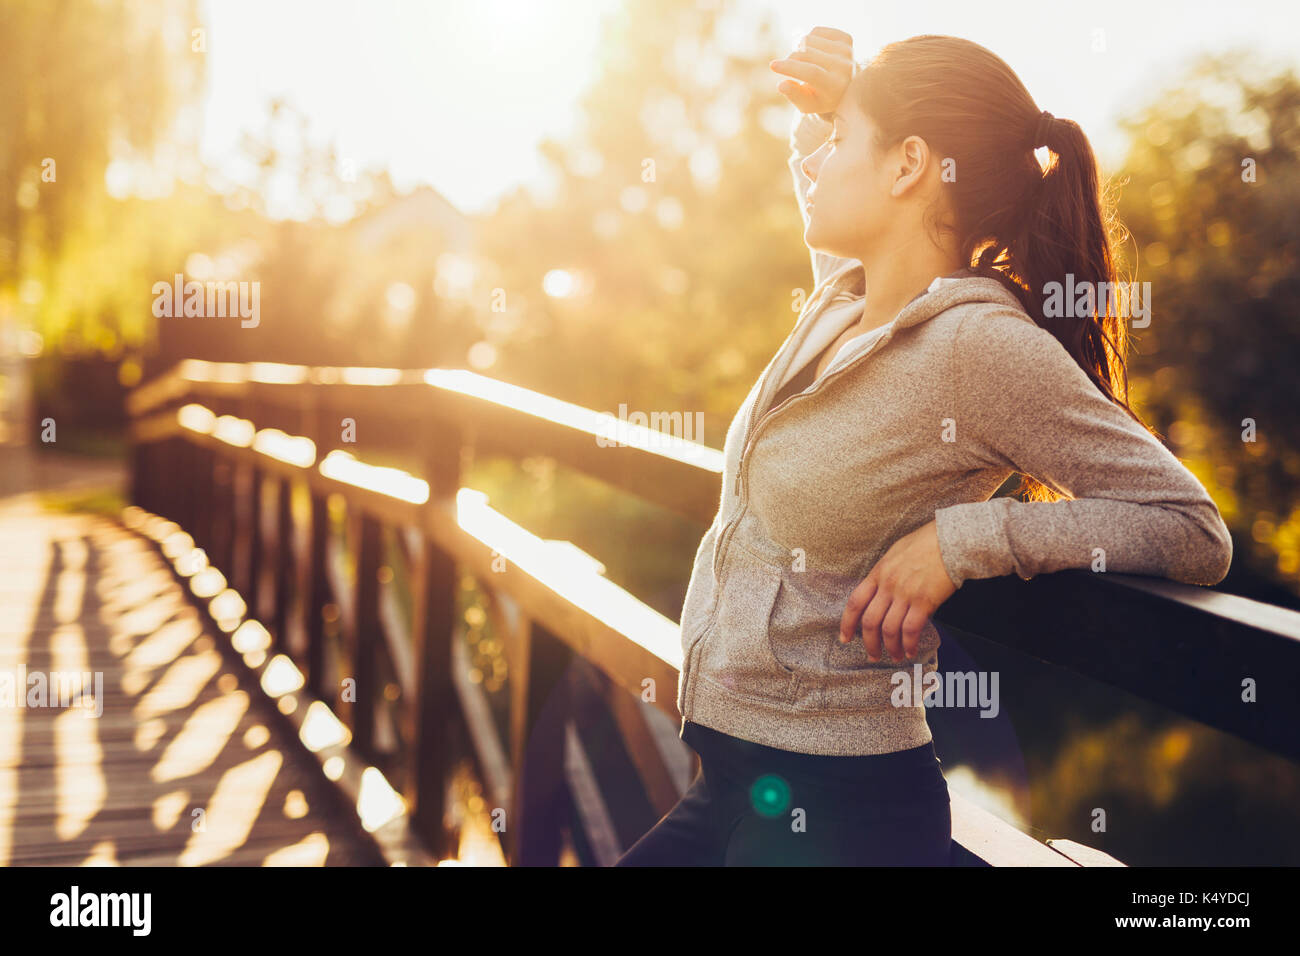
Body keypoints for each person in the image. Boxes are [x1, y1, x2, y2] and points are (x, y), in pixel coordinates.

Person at [615, 28, 1233, 866]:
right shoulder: (842, 306)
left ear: (908, 166)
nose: (818, 165)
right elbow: (838, 216)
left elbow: (1191, 528)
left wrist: (964, 541)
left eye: (840, 146)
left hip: (843, 814)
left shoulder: (979, 349)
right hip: (730, 779)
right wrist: (834, 113)